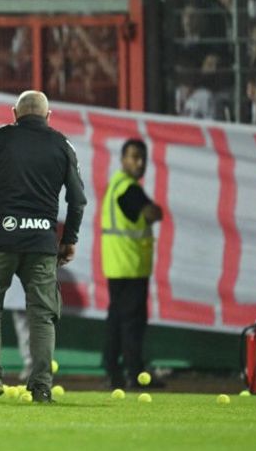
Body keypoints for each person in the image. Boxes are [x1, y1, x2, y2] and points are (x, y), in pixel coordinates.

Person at [0, 91, 87, 404]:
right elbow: (77, 199)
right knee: (42, 315)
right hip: (41, 244)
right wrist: (70, 239)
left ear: (14, 113)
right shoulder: (61, 145)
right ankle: (41, 386)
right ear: (48, 115)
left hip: (1, 241)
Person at [101, 138, 163, 389]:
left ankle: (113, 372)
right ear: (123, 160)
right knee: (132, 324)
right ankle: (135, 375)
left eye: (142, 158)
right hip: (130, 265)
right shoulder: (129, 188)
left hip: (117, 265)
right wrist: (156, 210)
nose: (139, 163)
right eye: (134, 157)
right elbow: (152, 213)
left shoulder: (116, 184)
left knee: (116, 322)